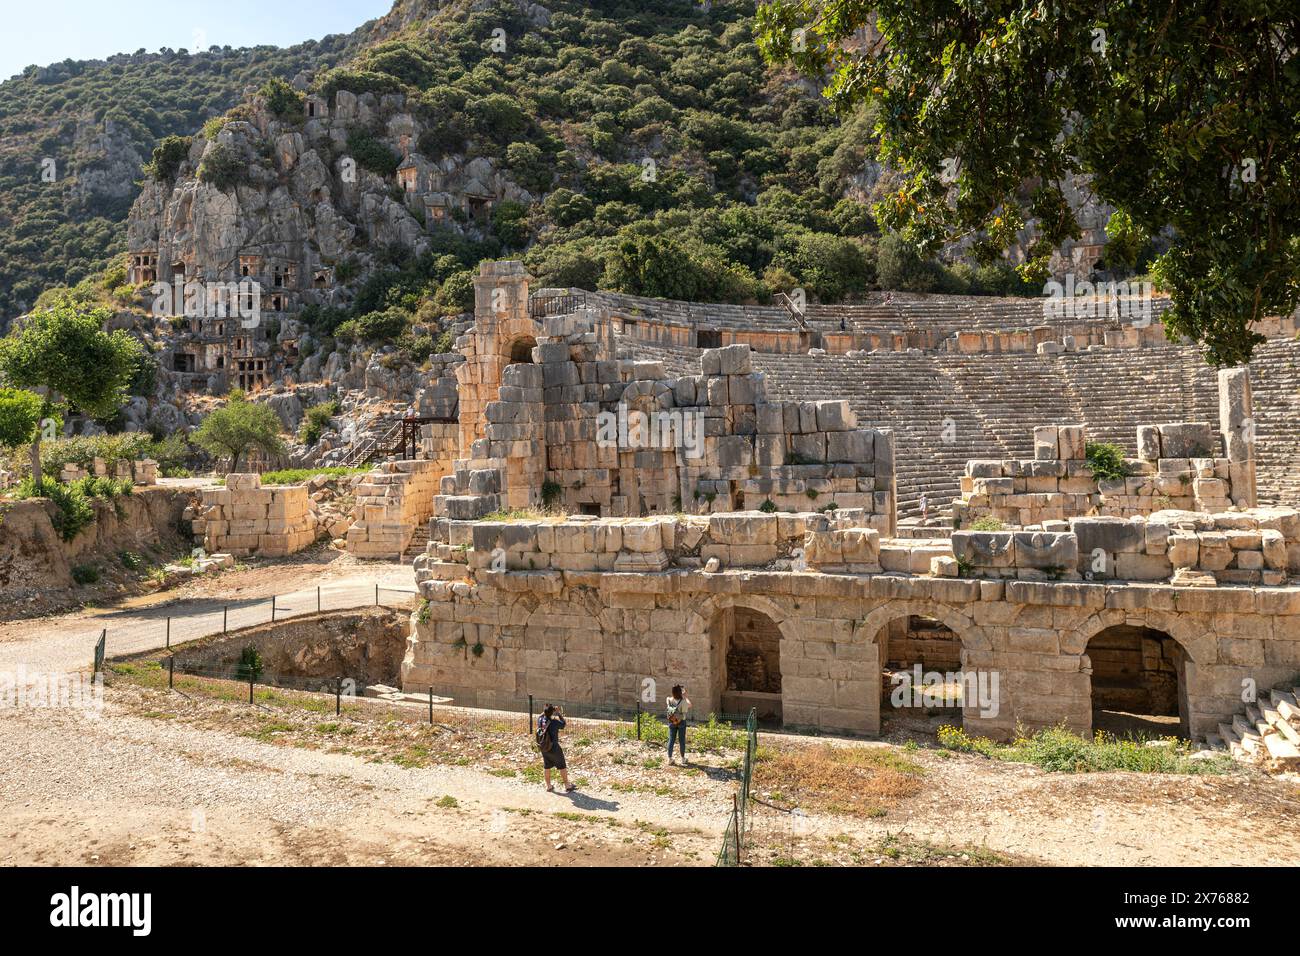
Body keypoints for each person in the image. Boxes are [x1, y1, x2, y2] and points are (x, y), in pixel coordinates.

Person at [536, 704, 576, 792]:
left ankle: (548, 786)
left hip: (544, 747)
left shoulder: (540, 720)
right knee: (562, 765)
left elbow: (540, 716)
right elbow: (563, 724)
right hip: (554, 747)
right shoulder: (554, 722)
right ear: (552, 712)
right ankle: (567, 785)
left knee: (547, 766)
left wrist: (547, 711)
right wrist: (558, 713)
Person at [666, 685, 691, 765]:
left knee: (671, 739)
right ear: (680, 692)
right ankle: (683, 759)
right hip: (681, 722)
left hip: (672, 721)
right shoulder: (683, 701)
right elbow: (690, 705)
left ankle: (670, 759)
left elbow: (668, 700)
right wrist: (685, 696)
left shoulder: (669, 700)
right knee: (681, 740)